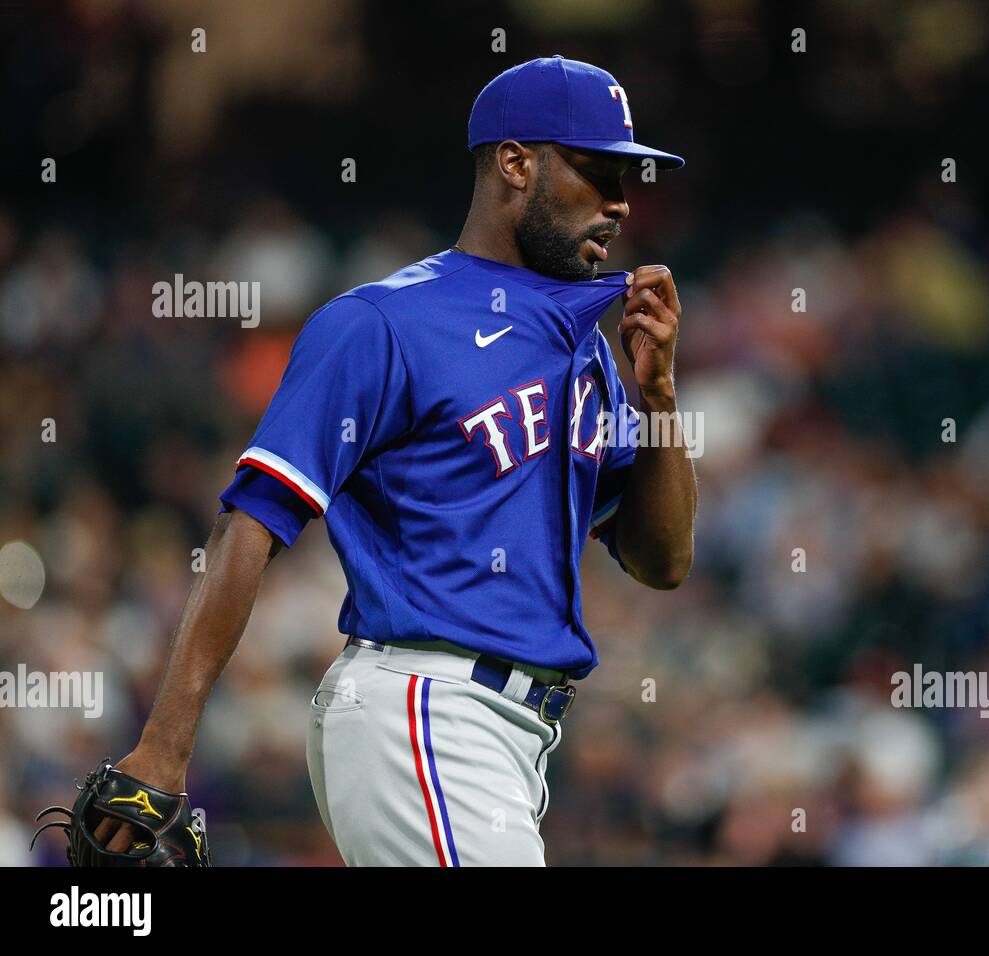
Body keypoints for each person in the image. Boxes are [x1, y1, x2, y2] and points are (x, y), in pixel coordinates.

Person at [97, 55, 697, 866]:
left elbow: (661, 561)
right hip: (425, 708)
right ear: (516, 163)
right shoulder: (383, 323)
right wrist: (164, 748)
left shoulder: (586, 349)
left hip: (513, 739)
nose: (623, 202)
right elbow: (251, 524)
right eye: (599, 171)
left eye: (630, 177)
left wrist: (658, 400)